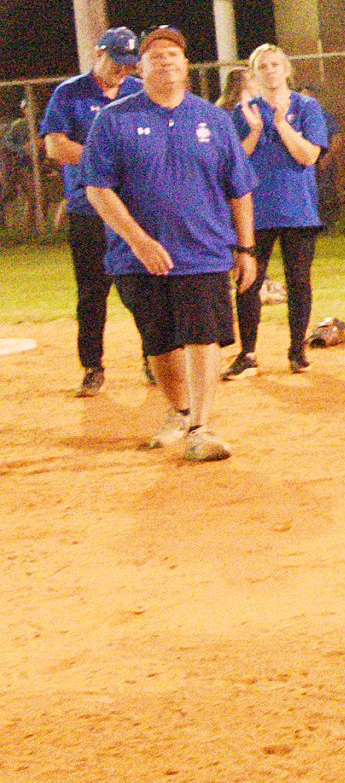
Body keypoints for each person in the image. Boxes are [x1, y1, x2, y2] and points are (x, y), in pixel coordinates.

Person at [77, 27, 257, 462]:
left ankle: (201, 426)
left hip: (204, 252)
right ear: (140, 66)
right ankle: (178, 411)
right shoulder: (114, 119)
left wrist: (245, 249)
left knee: (202, 337)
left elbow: (240, 189)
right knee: (159, 344)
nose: (166, 61)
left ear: (186, 65)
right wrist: (139, 242)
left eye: (174, 54)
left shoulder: (213, 119)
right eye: (155, 55)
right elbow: (98, 189)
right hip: (138, 260)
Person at [40, 26, 142, 396]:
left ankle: (154, 357)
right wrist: (105, 159)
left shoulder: (136, 91)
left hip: (135, 209)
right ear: (99, 52)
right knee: (92, 292)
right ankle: (93, 366)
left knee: (144, 288)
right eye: (117, 61)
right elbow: (54, 146)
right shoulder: (70, 93)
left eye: (129, 64)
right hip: (89, 209)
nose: (122, 70)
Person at [226, 44, 332, 378]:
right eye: (263, 66)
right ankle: (248, 353)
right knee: (248, 282)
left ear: (286, 70)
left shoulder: (307, 107)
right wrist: (257, 130)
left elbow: (308, 156)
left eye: (275, 65)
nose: (270, 71)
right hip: (254, 210)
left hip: (297, 210)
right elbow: (235, 161)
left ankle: (297, 350)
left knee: (298, 280)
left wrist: (282, 124)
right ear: (254, 74)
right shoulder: (243, 112)